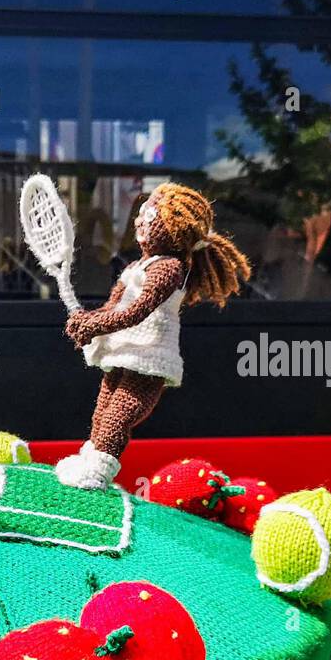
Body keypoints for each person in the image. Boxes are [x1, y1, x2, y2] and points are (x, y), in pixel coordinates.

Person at [55, 183, 250, 490]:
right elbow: (114, 306)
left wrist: (94, 325)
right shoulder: (137, 265)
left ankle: (98, 473)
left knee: (117, 417)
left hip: (150, 357)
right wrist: (88, 320)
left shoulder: (169, 269)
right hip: (123, 351)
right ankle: (88, 461)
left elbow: (137, 311)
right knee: (102, 411)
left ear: (173, 225)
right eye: (142, 215)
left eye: (149, 215)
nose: (139, 222)